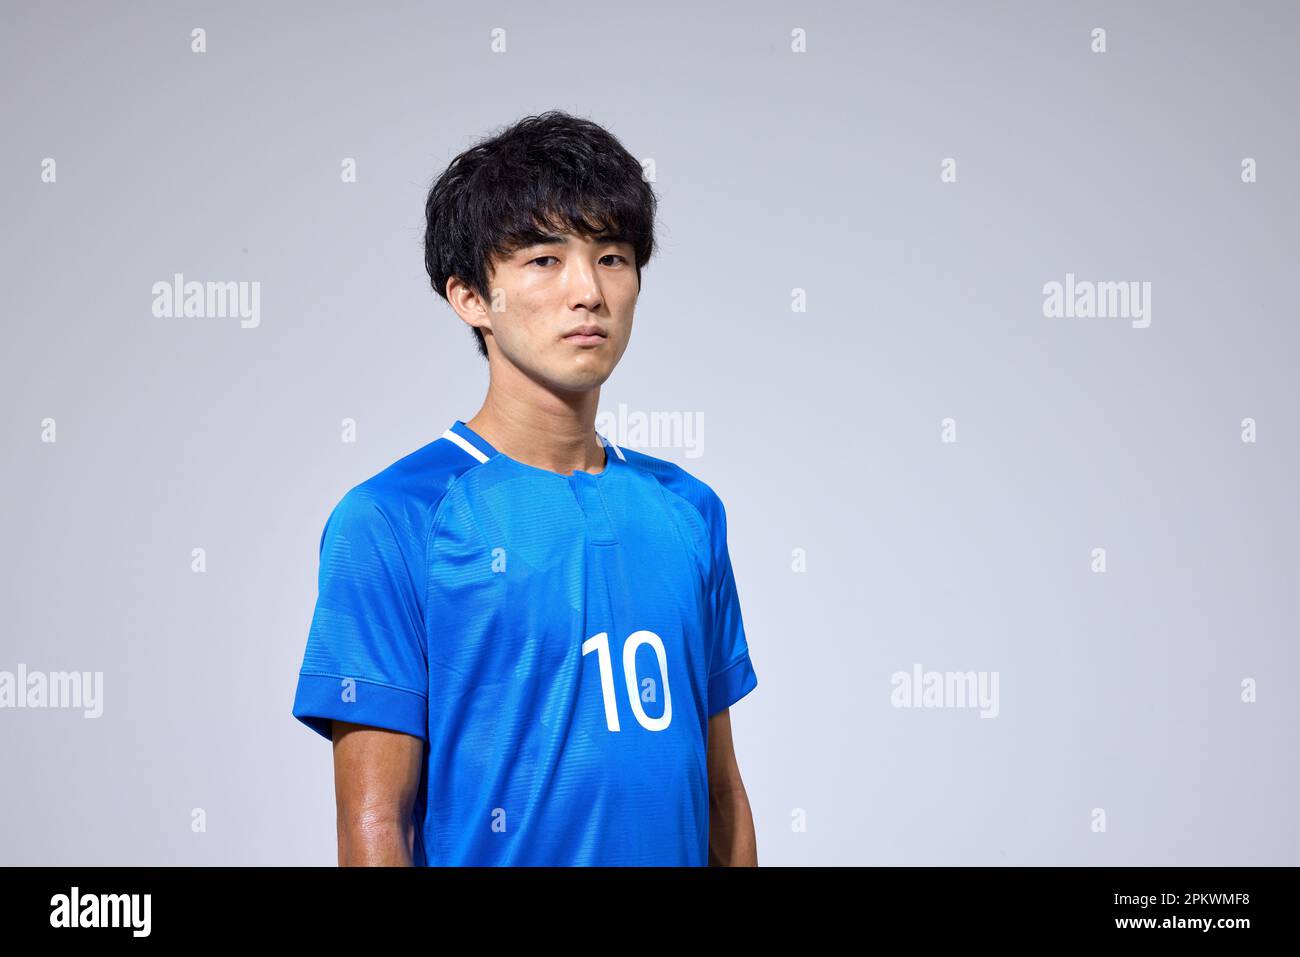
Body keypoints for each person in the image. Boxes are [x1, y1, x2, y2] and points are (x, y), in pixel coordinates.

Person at [291, 110, 758, 866]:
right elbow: (375, 826)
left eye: (612, 256)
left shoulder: (688, 510)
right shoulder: (393, 518)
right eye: (544, 259)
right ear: (473, 297)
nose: (589, 292)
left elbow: (722, 797)